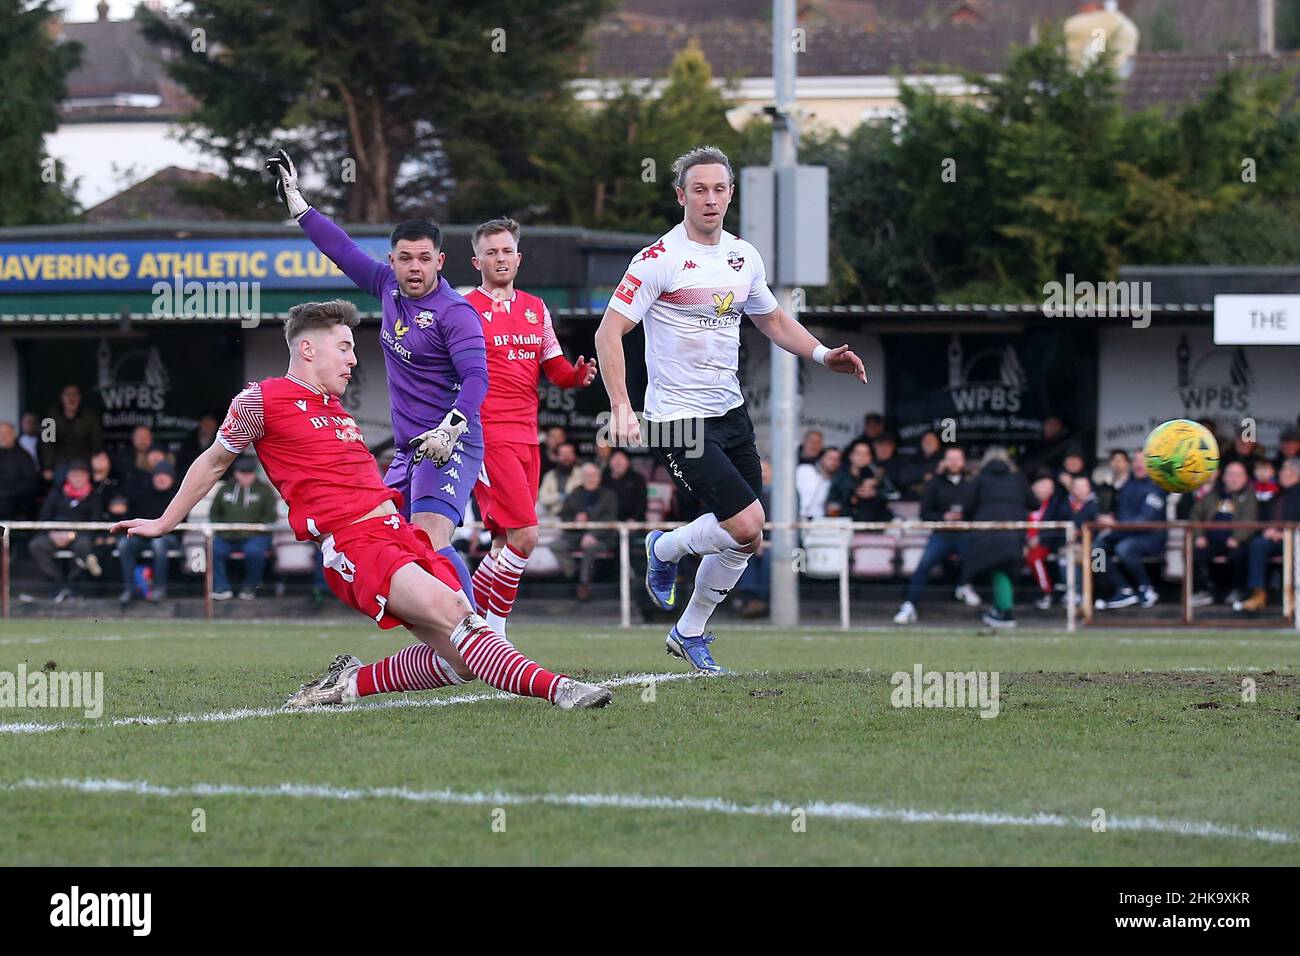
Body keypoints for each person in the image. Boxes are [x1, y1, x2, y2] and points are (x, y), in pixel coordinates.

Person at [111, 299, 609, 710]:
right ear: (307, 349)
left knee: (457, 662)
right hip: (356, 544)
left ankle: (346, 684)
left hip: (397, 534)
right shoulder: (261, 399)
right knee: (459, 612)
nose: (353, 359)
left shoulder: (333, 408)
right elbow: (215, 461)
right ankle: (560, 689)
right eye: (344, 348)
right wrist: (164, 521)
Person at [594, 144, 866, 673]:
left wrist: (821, 352)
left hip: (730, 411)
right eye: (699, 190)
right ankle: (668, 548)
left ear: (731, 194)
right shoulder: (657, 260)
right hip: (677, 419)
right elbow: (609, 332)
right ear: (681, 197)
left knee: (751, 535)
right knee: (744, 524)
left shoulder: (744, 256)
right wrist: (621, 405)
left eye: (719, 189)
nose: (710, 199)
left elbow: (772, 319)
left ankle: (688, 628)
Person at [270, 149, 488, 618]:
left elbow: (476, 377)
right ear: (393, 259)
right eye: (405, 258)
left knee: (429, 536)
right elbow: (343, 251)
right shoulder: (387, 286)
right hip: (410, 449)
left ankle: (481, 641)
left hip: (452, 441)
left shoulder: (457, 313)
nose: (414, 268)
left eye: (424, 259)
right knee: (395, 541)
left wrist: (452, 426)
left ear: (440, 261)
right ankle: (447, 636)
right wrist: (301, 209)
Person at [463, 218, 597, 633]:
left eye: (506, 251)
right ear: (477, 260)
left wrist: (575, 376)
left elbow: (553, 368)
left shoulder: (535, 308)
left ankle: (465, 620)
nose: (500, 258)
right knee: (525, 538)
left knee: (505, 543)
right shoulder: (465, 309)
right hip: (488, 435)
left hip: (527, 437)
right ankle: (494, 635)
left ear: (518, 259)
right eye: (492, 252)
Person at [894, 444, 976, 625]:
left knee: (976, 557)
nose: (954, 463)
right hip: (942, 534)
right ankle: (909, 606)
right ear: (944, 462)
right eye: (950, 459)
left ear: (963, 462)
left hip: (964, 533)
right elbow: (925, 513)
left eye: (958, 459)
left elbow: (978, 510)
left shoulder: (972, 484)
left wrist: (965, 516)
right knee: (923, 566)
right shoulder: (934, 484)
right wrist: (943, 517)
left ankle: (964, 586)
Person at [961, 448, 1038, 629]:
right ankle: (1001, 610)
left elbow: (967, 506)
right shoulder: (1018, 478)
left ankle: (1005, 612)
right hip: (1014, 531)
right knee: (1004, 569)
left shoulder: (980, 478)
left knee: (999, 569)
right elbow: (1034, 503)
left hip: (988, 532)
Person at [1093, 452, 1168, 610]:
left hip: (1151, 537)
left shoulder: (1157, 487)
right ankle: (1122, 588)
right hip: (1125, 533)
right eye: (1136, 461)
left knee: (1125, 548)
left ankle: (1146, 588)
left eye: (1144, 461)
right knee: (1096, 549)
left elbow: (1144, 520)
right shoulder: (1128, 485)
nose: (1139, 464)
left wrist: (1115, 523)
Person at [29, 461, 105, 602]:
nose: (78, 478)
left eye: (82, 475)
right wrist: (51, 533)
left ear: (88, 477)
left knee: (84, 547)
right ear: (68, 477)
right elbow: (43, 517)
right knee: (36, 545)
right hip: (54, 535)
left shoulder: (94, 497)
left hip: (81, 536)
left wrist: (72, 534)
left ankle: (73, 586)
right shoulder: (56, 494)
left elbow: (96, 523)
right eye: (74, 474)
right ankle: (57, 584)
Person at [1235, 457, 1300, 613]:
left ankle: (1293, 597)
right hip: (1274, 540)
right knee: (1255, 545)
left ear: (1296, 473)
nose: (1281, 473)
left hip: (1294, 540)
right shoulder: (1278, 493)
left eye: (1285, 470)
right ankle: (1257, 594)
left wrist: (1285, 534)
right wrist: (1268, 530)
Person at [209, 457, 279, 601]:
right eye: (242, 472)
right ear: (235, 473)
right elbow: (214, 513)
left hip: (256, 535)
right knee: (213, 549)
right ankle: (221, 587)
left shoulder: (264, 490)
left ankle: (250, 587)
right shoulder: (224, 489)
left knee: (253, 551)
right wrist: (223, 529)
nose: (246, 475)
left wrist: (253, 529)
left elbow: (271, 515)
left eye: (250, 472)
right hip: (227, 536)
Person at [1189, 461, 1256, 608]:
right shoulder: (1213, 494)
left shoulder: (1249, 496)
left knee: (1241, 555)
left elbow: (1250, 519)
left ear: (1245, 478)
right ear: (1223, 477)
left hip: (1235, 542)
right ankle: (1205, 591)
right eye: (1230, 474)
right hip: (1210, 541)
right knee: (1196, 553)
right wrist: (1199, 535)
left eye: (1238, 475)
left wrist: (1237, 537)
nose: (1234, 478)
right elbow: (1195, 515)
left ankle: (1237, 591)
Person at [119, 460, 179, 605]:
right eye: (158, 474)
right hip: (143, 535)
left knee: (158, 544)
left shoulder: (178, 496)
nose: (161, 477)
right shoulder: (142, 493)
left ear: (172, 478)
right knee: (124, 544)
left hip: (169, 536)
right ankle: (129, 589)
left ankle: (159, 589)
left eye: (165, 474)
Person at [559, 462, 619, 601]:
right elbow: (564, 516)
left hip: (602, 538)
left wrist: (592, 534)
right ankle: (574, 574)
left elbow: (610, 518)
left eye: (593, 475)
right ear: (582, 477)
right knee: (556, 546)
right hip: (576, 536)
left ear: (599, 477)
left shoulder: (609, 495)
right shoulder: (574, 494)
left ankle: (584, 584)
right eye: (587, 475)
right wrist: (575, 519)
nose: (590, 478)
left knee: (589, 546)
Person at [1025, 472, 1072, 610]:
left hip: (1089, 547)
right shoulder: (1025, 503)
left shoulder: (1056, 505)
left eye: (1049, 488)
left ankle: (1078, 592)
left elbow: (1067, 519)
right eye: (1043, 486)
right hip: (1024, 544)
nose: (1046, 490)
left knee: (1098, 560)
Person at [40, 384, 103, 484]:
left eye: (74, 395)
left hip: (84, 460)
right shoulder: (49, 418)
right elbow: (47, 445)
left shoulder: (91, 418)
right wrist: (48, 467)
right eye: (67, 395)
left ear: (80, 398)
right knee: (60, 482)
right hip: (61, 461)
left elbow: (96, 443)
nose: (71, 398)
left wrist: (97, 465)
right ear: (62, 398)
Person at [828, 440, 892, 522]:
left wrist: (875, 492)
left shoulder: (877, 476)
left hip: (874, 526)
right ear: (850, 455)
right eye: (858, 453)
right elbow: (832, 503)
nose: (862, 457)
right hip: (846, 525)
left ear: (870, 457)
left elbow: (894, 495)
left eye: (866, 454)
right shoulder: (840, 477)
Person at [0, 421, 39, 520]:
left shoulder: (23, 456)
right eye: (0, 433)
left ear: (13, 435)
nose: (2, 437)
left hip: (15, 503)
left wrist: (6, 493)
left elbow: (31, 484)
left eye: (6, 434)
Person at [537, 441, 581, 517]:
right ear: (557, 457)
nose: (566, 457)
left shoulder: (582, 473)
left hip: (574, 515)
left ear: (574, 456)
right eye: (563, 454)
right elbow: (543, 498)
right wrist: (560, 496)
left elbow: (580, 498)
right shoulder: (549, 475)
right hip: (552, 515)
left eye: (569, 453)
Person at [796, 446, 841, 520]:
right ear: (821, 458)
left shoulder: (837, 482)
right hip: (795, 518)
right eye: (830, 458)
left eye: (837, 459)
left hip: (818, 523)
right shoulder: (804, 470)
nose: (834, 462)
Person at [603, 449, 648, 522]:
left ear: (628, 462)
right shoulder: (604, 479)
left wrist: (633, 519)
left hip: (634, 524)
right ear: (609, 462)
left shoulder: (637, 479)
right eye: (615, 459)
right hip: (609, 524)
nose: (618, 462)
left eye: (621, 458)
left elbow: (642, 503)